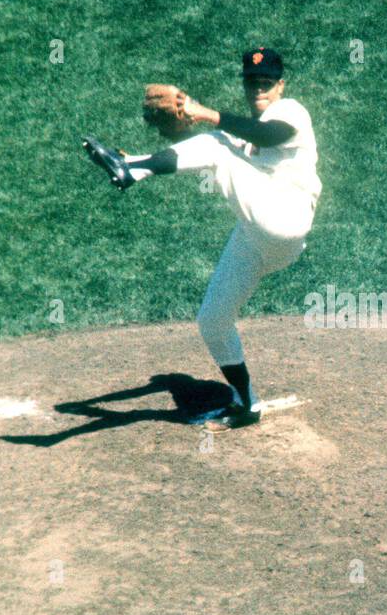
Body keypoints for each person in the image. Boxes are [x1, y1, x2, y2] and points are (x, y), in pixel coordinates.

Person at [83, 47, 320, 428]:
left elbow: (267, 133)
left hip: (287, 219)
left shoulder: (292, 111)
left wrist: (204, 112)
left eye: (266, 82)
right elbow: (241, 135)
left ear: (280, 85)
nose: (259, 88)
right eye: (251, 82)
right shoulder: (239, 133)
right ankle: (247, 403)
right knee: (213, 320)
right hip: (257, 237)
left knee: (217, 144)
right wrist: (183, 125)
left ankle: (131, 168)